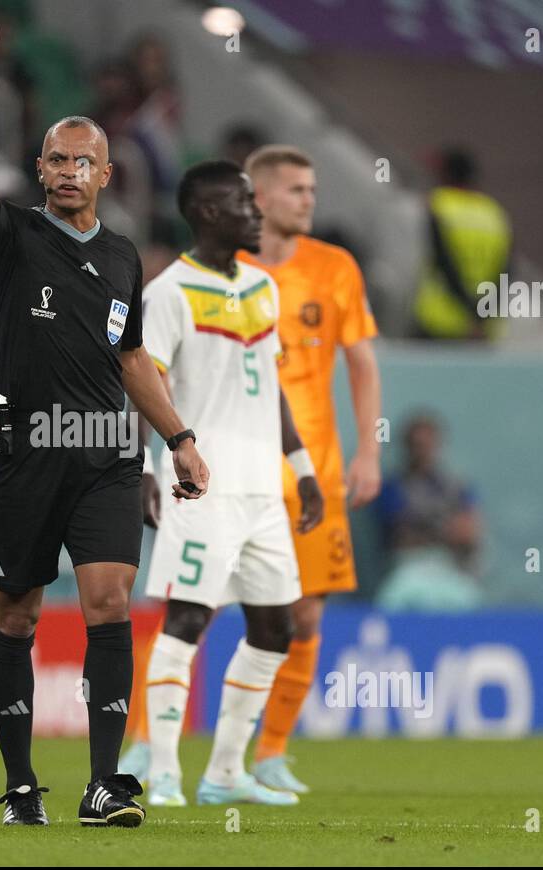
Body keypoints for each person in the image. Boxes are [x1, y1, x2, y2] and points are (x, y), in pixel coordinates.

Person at [0, 28, 208, 828]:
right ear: (40, 171)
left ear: (104, 172)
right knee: (17, 616)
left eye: (81, 162)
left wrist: (179, 439)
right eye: (56, 161)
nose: (68, 173)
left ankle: (102, 786)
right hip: (25, 455)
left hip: (104, 457)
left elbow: (132, 361)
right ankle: (22, 786)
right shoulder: (13, 236)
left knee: (109, 601)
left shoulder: (129, 258)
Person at [120, 146, 384, 796]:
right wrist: (146, 465)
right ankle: (159, 769)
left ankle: (228, 771)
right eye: (244, 202)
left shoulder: (261, 288)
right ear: (210, 212)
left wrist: (302, 468)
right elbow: (140, 382)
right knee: (187, 621)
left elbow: (272, 386)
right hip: (199, 483)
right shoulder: (167, 293)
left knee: (278, 627)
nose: (255, 212)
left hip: (265, 487)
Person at [375, 413, 483, 611]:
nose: (422, 451)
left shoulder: (456, 484)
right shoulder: (394, 485)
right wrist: (445, 531)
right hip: (410, 566)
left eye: (427, 444)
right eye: (416, 445)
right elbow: (401, 535)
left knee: (467, 602)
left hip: (451, 566)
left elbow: (468, 530)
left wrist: (447, 533)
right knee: (394, 599)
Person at [413, 147, 512, 340]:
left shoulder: (437, 205)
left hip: (439, 321)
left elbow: (443, 262)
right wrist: (481, 313)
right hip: (483, 325)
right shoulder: (493, 213)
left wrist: (468, 308)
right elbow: (506, 270)